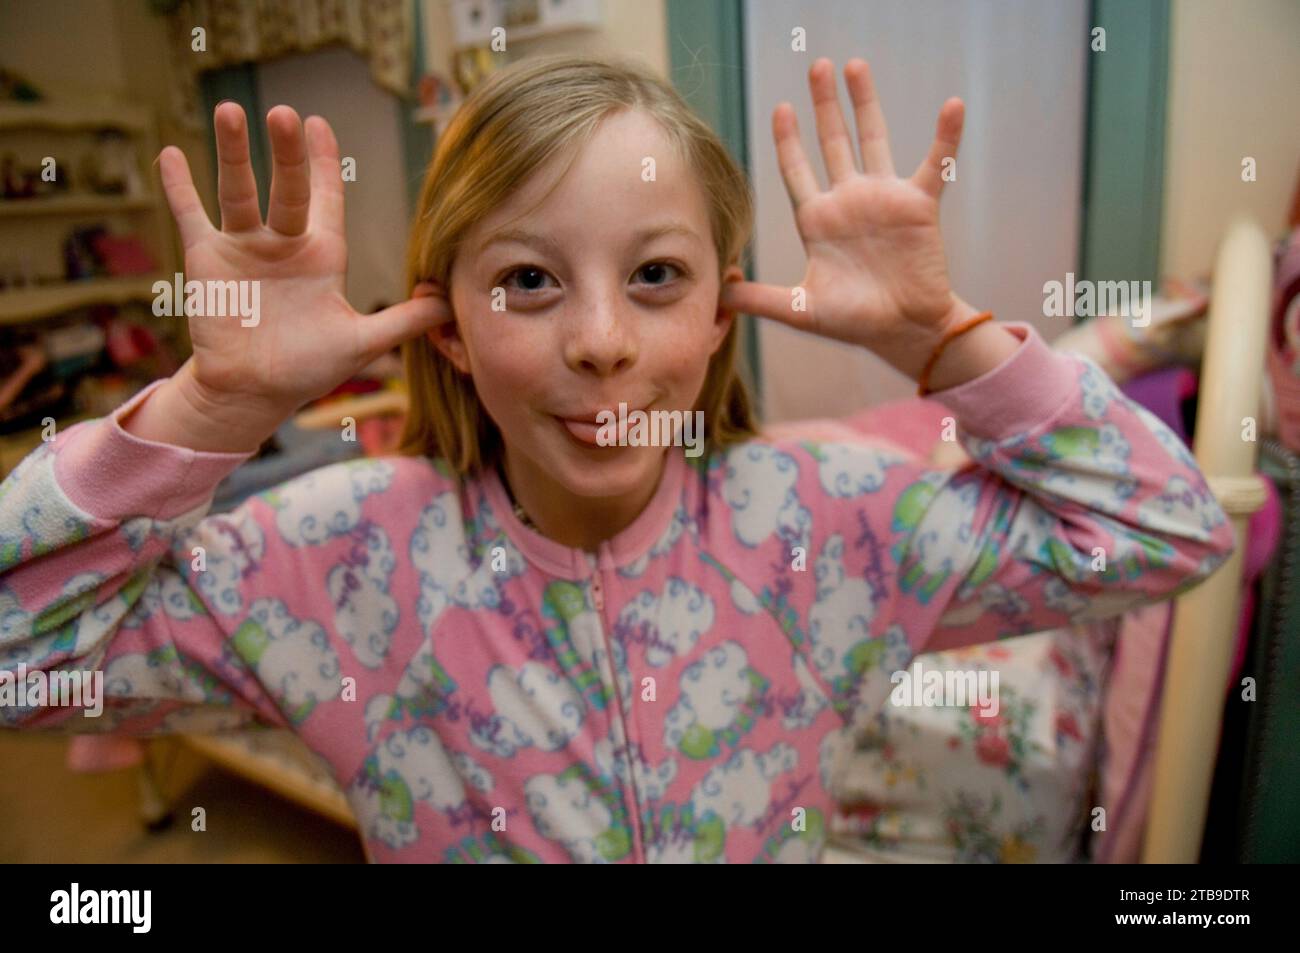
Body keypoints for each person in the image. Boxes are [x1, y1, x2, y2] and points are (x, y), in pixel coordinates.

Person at [0, 55, 1233, 863]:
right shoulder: (335, 557)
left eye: (654, 276)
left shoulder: (833, 520)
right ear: (450, 324)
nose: (599, 343)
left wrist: (945, 340)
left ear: (716, 312)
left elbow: (1165, 530)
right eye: (528, 281)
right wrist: (213, 410)